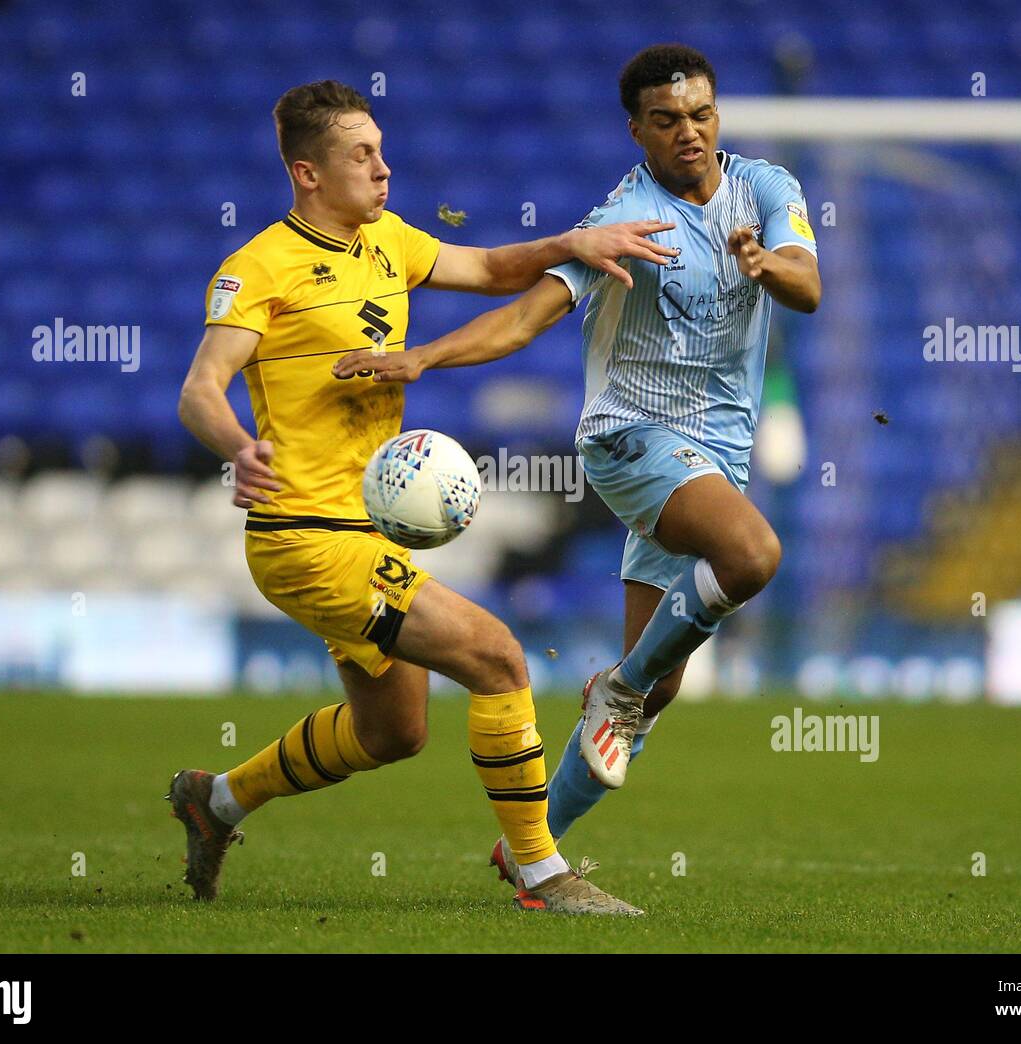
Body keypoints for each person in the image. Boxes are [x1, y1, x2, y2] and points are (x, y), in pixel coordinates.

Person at [173, 78, 677, 915]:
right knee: (498, 656)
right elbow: (201, 387)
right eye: (362, 155)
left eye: (381, 150)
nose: (384, 167)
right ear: (308, 173)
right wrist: (238, 447)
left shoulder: (389, 242)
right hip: (303, 532)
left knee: (392, 733)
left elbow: (485, 268)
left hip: (366, 533)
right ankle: (543, 874)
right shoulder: (258, 266)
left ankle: (214, 800)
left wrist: (576, 242)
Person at [332, 44, 822, 890]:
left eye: (701, 115)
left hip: (719, 453)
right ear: (637, 129)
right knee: (752, 557)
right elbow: (525, 318)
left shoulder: (767, 189)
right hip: (632, 439)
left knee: (661, 690)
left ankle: (530, 851)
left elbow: (807, 286)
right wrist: (420, 359)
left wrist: (763, 262)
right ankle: (618, 690)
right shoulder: (625, 218)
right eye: (667, 121)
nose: (690, 133)